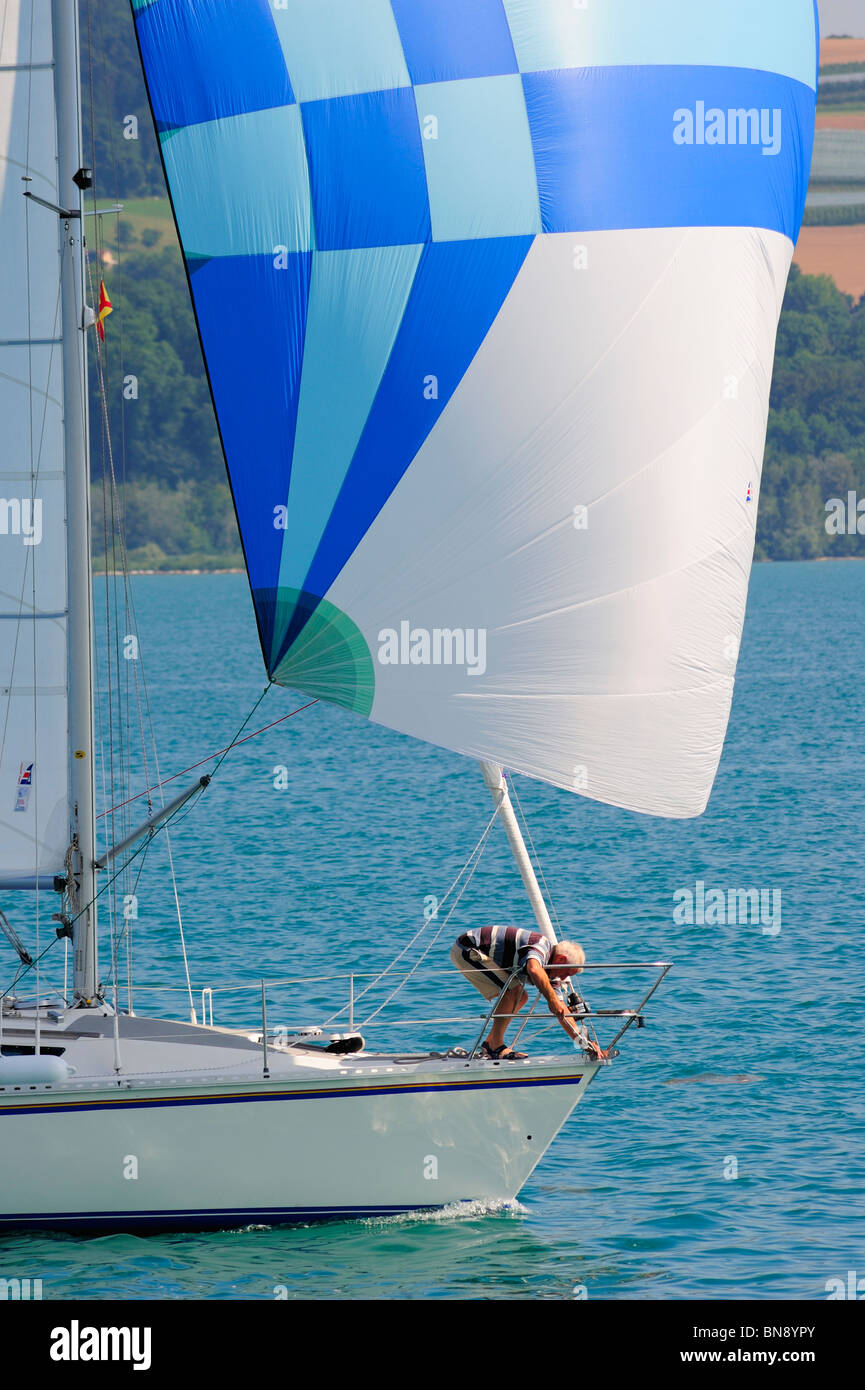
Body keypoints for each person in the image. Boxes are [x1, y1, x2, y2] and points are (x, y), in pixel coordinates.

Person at [450, 925, 600, 1059]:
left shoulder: (551, 973)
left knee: (520, 997)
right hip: (467, 948)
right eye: (566, 973)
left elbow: (562, 1012)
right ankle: (495, 1046)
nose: (564, 978)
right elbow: (534, 969)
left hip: (480, 952)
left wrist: (584, 1044)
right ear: (561, 959)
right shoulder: (541, 945)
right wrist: (552, 1000)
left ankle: (491, 1044)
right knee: (514, 992)